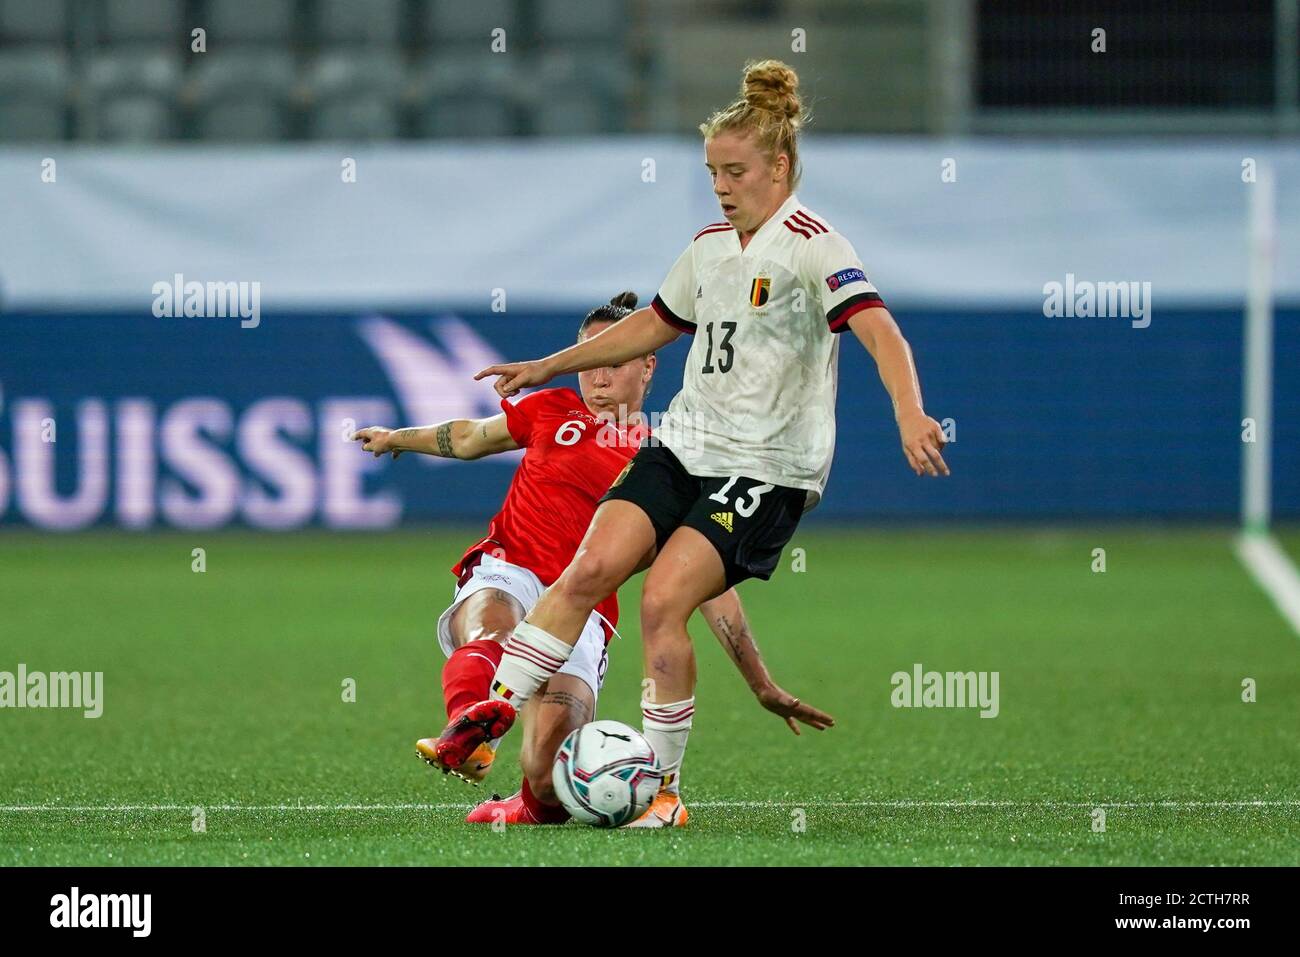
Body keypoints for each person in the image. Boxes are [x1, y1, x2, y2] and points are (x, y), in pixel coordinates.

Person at [431, 58, 950, 828]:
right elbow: (653, 325)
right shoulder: (709, 245)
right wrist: (549, 364)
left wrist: (910, 410)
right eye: (712, 170)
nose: (720, 184)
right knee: (590, 568)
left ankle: (665, 794)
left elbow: (880, 329)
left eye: (734, 170)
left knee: (663, 602)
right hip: (685, 444)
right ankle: (493, 711)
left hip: (766, 469)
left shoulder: (815, 245)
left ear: (778, 167)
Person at [353, 292, 832, 826]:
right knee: (492, 626)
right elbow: (468, 437)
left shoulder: (670, 459)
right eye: (588, 359)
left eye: (613, 361)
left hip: (585, 614)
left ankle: (531, 805)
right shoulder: (550, 409)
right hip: (509, 569)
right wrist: (398, 438)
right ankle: (472, 732)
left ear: (648, 363)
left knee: (548, 776)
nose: (597, 377)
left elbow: (706, 584)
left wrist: (760, 681)